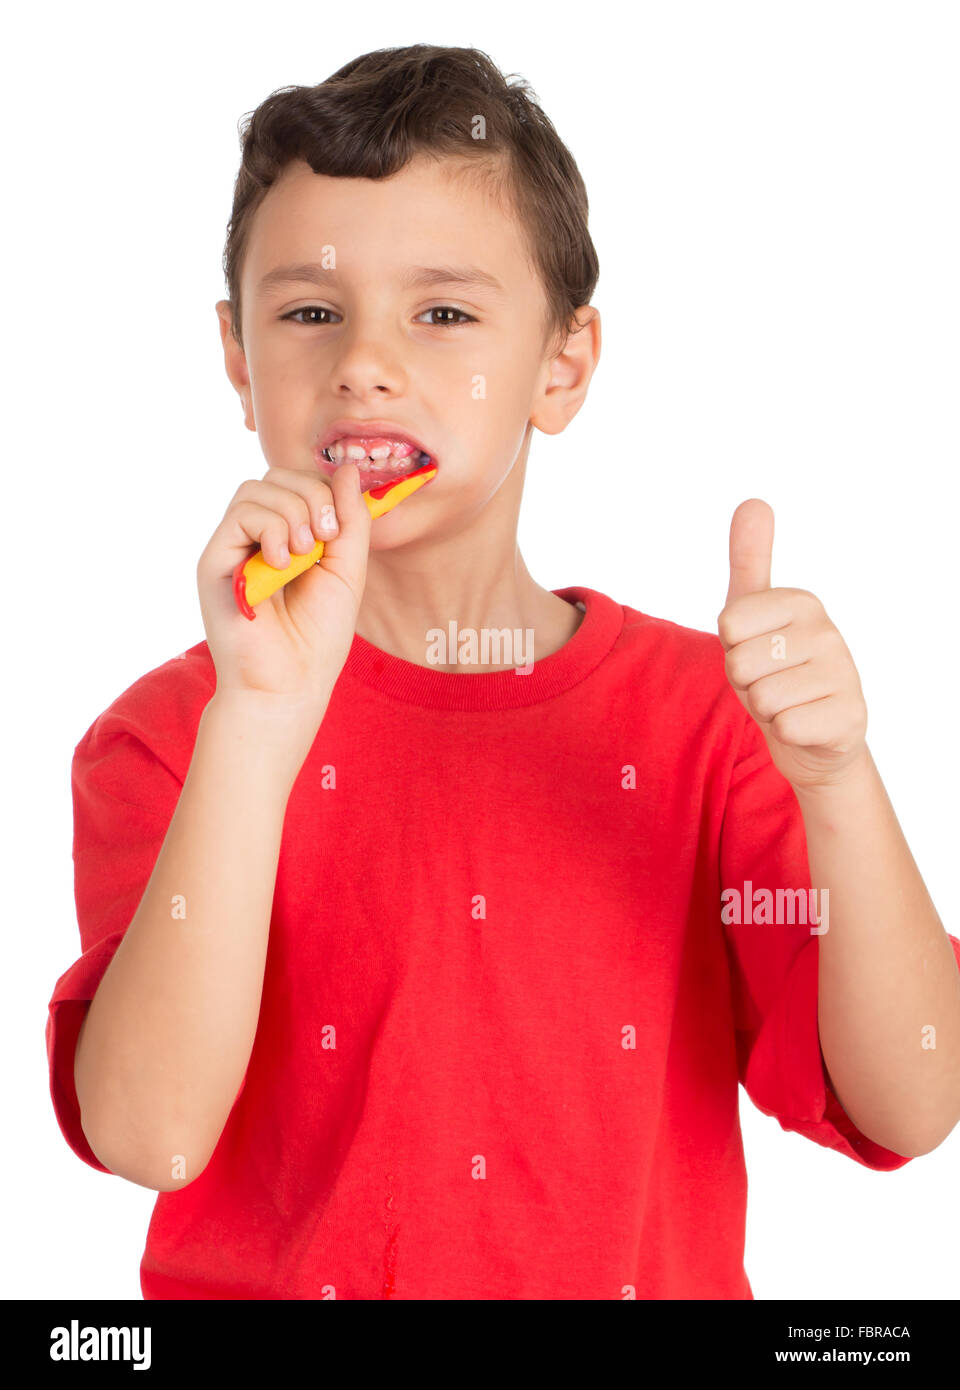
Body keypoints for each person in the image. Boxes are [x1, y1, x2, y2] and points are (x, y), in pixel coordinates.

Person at [45, 43, 960, 1301]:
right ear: (238, 356)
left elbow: (911, 1098)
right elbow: (152, 1135)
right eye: (310, 312)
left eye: (443, 312)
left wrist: (841, 781)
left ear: (562, 366)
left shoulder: (708, 722)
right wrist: (256, 724)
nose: (364, 360)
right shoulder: (170, 737)